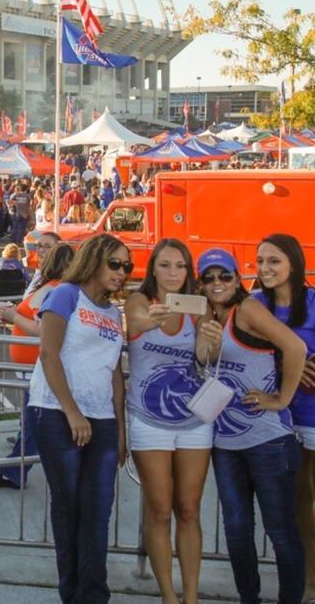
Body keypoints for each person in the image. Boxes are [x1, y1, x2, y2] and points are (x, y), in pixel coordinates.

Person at [194, 247, 307, 604]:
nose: (217, 283)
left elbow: (295, 347)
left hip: (268, 440)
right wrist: (205, 343)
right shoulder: (208, 316)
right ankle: (249, 597)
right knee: (238, 530)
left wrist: (282, 398)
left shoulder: (249, 309)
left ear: (237, 279)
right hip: (225, 443)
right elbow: (205, 365)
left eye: (224, 276)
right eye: (208, 277)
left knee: (281, 530)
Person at [253, 234, 315, 604]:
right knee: (298, 500)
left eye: (274, 261)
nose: (265, 268)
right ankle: (311, 578)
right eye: (260, 260)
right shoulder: (257, 304)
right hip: (282, 420)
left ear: (293, 264)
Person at [29, 233, 130, 603]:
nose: (122, 272)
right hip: (56, 413)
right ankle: (71, 593)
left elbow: (115, 372)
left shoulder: (113, 312)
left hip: (101, 418)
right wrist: (73, 412)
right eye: (115, 264)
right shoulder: (65, 295)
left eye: (126, 266)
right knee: (69, 506)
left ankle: (93, 595)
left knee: (97, 511)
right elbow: (48, 353)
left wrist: (119, 429)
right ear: (94, 260)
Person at [122, 239, 211, 604]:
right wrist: (152, 319)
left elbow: (205, 359)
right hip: (148, 420)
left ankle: (190, 596)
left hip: (194, 421)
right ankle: (168, 596)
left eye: (180, 266)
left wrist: (211, 342)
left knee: (188, 510)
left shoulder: (198, 309)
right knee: (159, 510)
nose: (173, 273)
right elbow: (138, 322)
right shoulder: (139, 302)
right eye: (165, 265)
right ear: (153, 268)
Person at [0, 243, 76, 491]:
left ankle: (14, 471)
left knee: (35, 423)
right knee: (34, 422)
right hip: (33, 367)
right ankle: (18, 468)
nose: (40, 255)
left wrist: (13, 316)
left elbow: (42, 331)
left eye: (46, 251)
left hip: (39, 368)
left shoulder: (56, 290)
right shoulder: (50, 287)